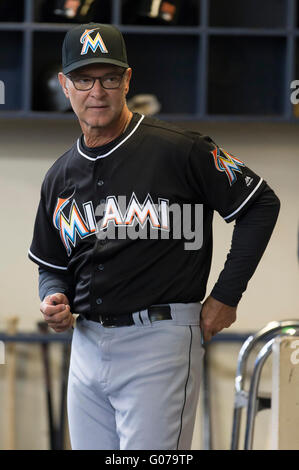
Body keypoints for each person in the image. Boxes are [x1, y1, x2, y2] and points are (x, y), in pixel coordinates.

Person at [28, 23, 280, 450]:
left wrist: (226, 295)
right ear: (65, 85)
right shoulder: (59, 175)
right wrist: (54, 298)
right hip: (86, 345)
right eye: (84, 79)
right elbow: (52, 266)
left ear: (127, 80)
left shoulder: (181, 149)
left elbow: (260, 203)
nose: (97, 91)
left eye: (109, 78)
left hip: (159, 341)